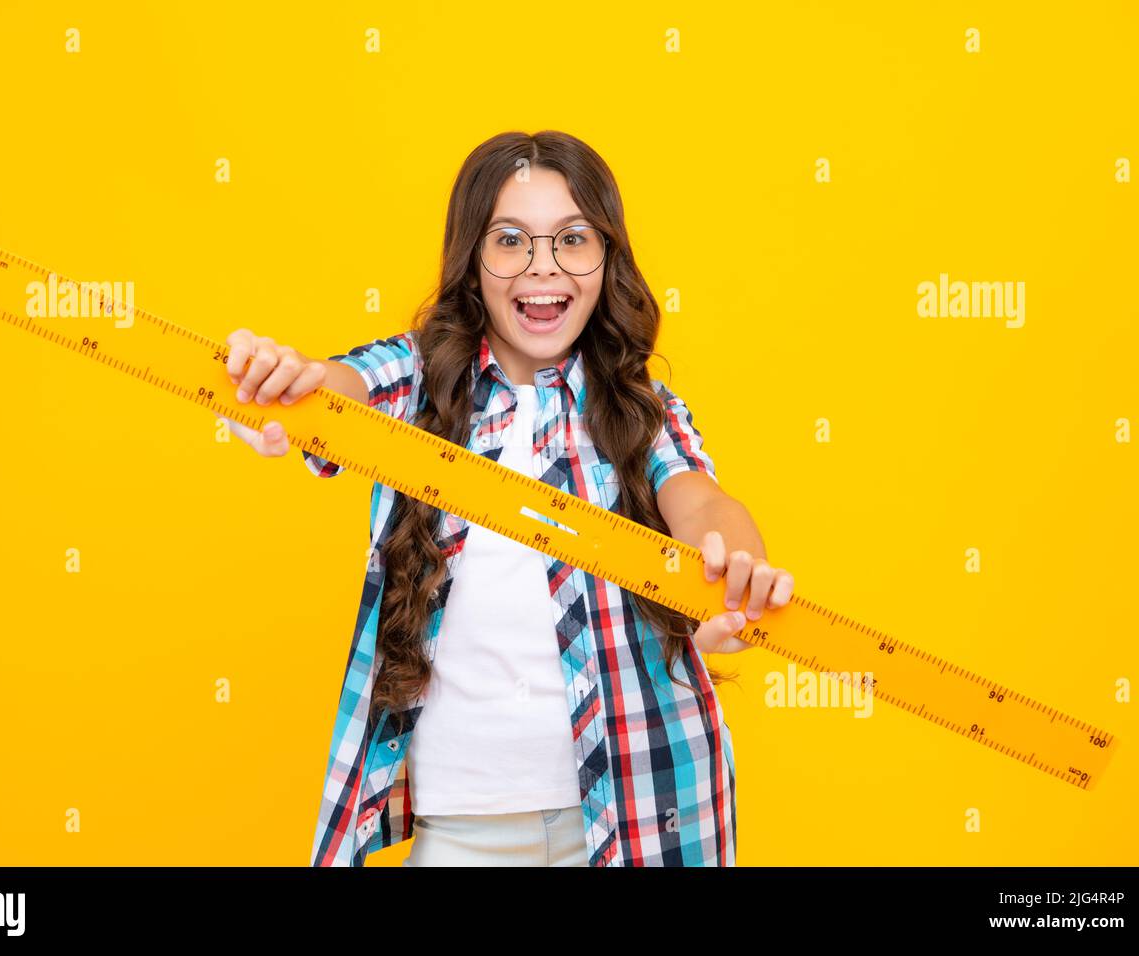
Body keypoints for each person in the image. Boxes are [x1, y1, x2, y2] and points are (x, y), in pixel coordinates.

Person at [221, 130, 794, 866]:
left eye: (573, 240)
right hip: (463, 831)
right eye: (511, 240)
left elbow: (703, 501)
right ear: (473, 261)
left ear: (607, 258)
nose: (542, 269)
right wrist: (285, 384)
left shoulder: (639, 410)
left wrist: (737, 569)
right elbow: (341, 393)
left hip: (650, 816)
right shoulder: (420, 380)